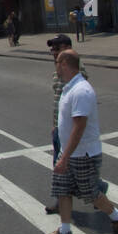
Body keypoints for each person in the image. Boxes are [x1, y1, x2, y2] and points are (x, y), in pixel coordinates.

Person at [43, 49, 118, 234]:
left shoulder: (82, 90)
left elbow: (79, 126)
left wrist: (64, 157)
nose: (55, 65)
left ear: (65, 64)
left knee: (90, 193)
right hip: (69, 152)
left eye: (57, 61)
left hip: (84, 154)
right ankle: (65, 231)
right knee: (63, 189)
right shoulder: (69, 87)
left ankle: (117, 217)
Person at [44, 35, 107, 213]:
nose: (53, 52)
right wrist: (55, 124)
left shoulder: (75, 72)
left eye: (56, 49)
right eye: (52, 49)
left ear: (66, 48)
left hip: (73, 134)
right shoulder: (59, 71)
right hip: (59, 128)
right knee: (61, 171)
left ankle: (101, 195)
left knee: (70, 171)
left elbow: (80, 98)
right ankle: (62, 204)